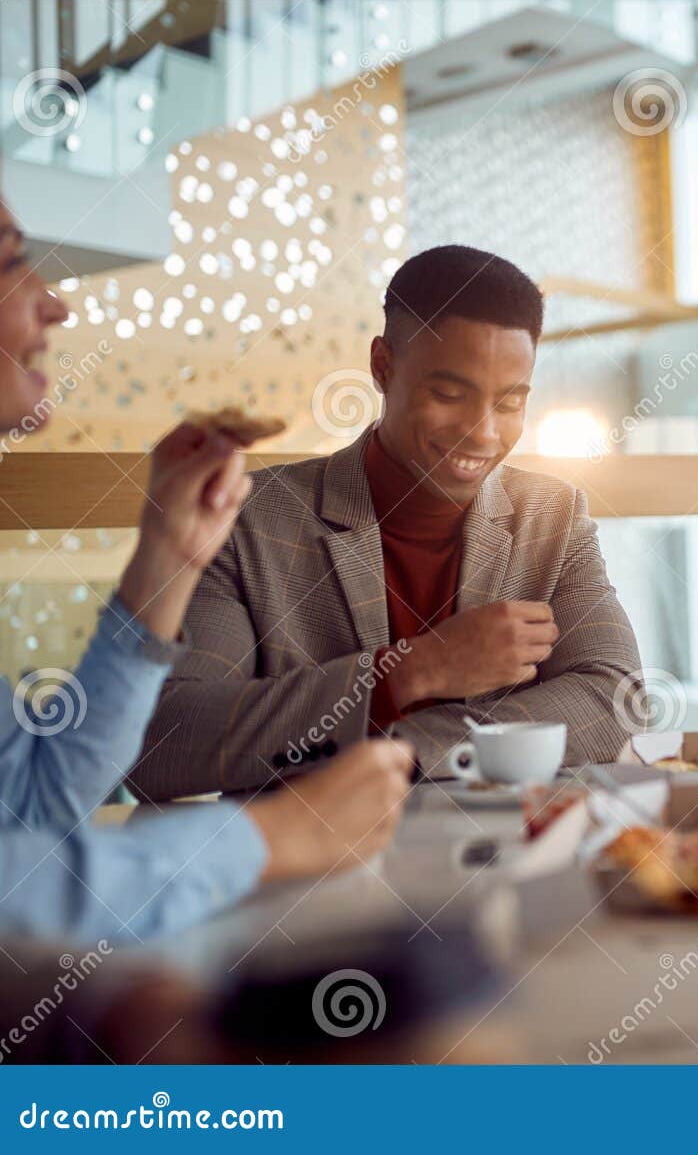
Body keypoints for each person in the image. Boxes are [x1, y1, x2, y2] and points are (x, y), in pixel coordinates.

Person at [0, 199, 412, 941]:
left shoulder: (553, 514)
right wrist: (275, 836)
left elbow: (31, 803)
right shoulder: (281, 516)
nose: (53, 302)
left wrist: (168, 557)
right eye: (7, 262)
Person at [130, 245, 641, 798]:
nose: (484, 433)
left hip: (507, 867)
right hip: (307, 874)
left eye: (510, 403)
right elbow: (165, 743)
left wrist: (403, 750)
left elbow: (617, 699)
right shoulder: (255, 520)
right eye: (448, 394)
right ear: (382, 367)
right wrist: (413, 671)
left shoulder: (554, 519)